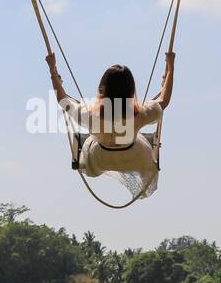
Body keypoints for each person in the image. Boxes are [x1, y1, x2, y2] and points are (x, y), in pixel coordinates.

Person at [47, 52, 175, 199]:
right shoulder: (140, 114)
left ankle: (95, 141)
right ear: (131, 90)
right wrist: (170, 67)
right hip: (135, 158)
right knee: (138, 135)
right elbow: (164, 100)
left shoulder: (90, 115)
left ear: (103, 88)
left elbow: (63, 100)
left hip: (99, 158)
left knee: (88, 131)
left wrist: (53, 71)